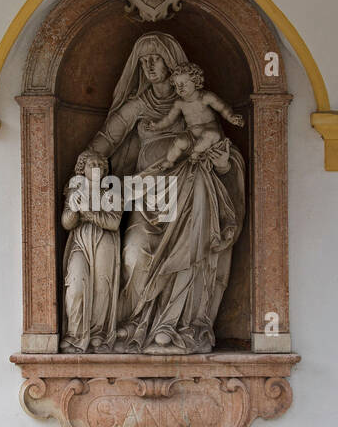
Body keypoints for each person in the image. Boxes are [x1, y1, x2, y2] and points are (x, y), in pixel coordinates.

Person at [85, 32, 245, 354]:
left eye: (155, 58)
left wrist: (225, 165)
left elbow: (222, 149)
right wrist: (88, 158)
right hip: (148, 194)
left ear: (171, 63)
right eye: (143, 60)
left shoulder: (195, 101)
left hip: (186, 190)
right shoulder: (139, 105)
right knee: (134, 255)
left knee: (190, 249)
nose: (148, 66)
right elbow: (106, 138)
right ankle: (135, 323)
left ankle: (176, 325)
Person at [60, 152, 121, 353]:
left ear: (105, 170)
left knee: (102, 286)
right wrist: (75, 212)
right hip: (80, 242)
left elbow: (113, 222)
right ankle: (74, 335)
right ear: (82, 169)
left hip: (104, 241)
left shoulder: (111, 192)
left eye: (99, 164)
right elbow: (66, 223)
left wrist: (89, 214)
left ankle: (98, 334)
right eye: (90, 164)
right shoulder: (75, 191)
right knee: (76, 285)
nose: (95, 167)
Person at [147, 61, 244, 170]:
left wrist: (231, 117)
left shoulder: (206, 97)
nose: (180, 87)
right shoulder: (179, 103)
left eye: (184, 83)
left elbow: (222, 108)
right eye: (177, 85)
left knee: (209, 134)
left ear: (196, 81)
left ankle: (196, 153)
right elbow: (169, 119)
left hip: (211, 135)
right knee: (179, 141)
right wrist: (157, 126)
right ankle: (169, 161)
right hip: (192, 135)